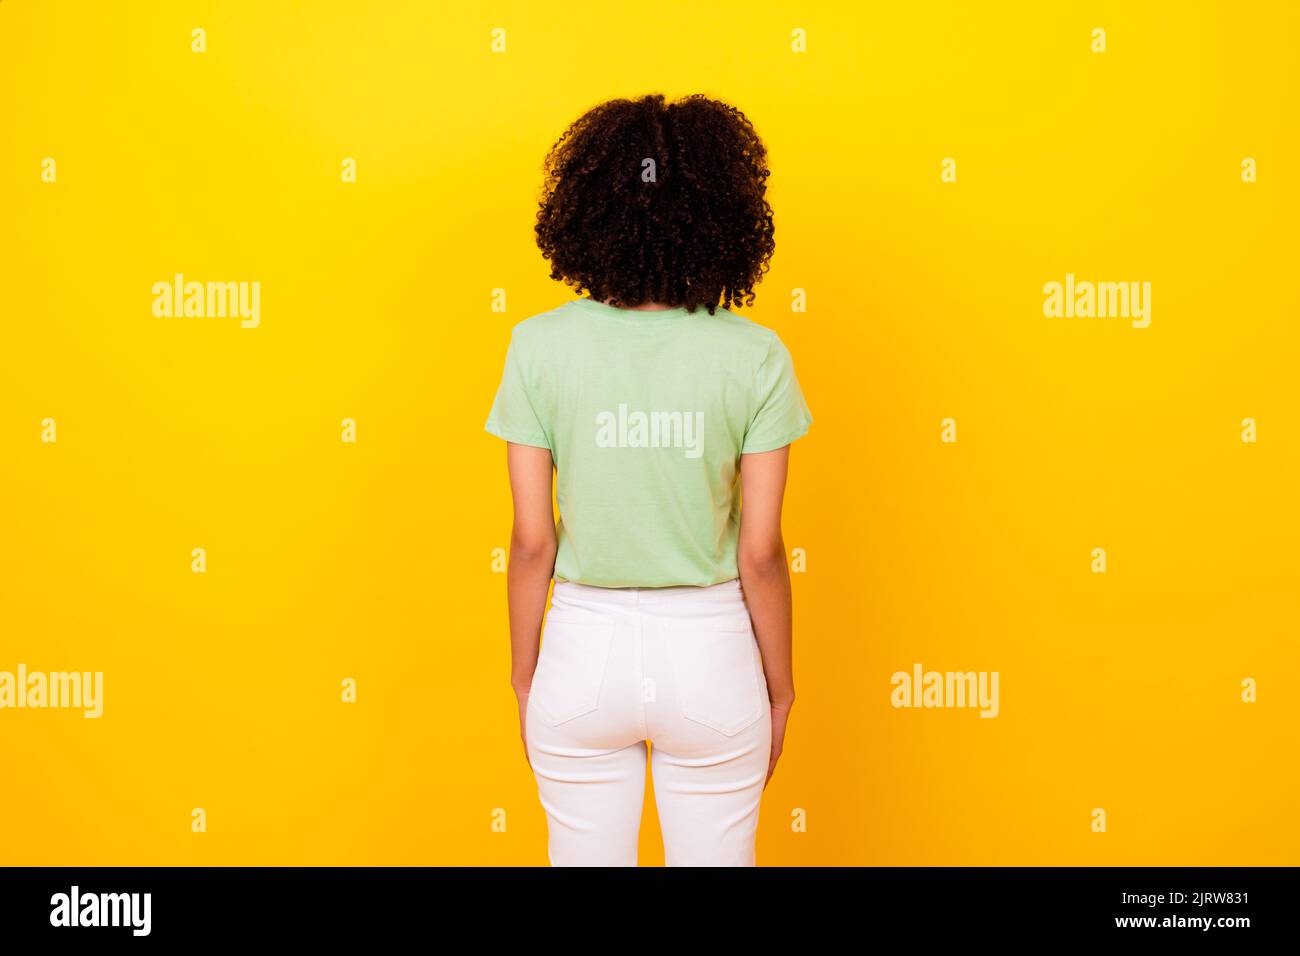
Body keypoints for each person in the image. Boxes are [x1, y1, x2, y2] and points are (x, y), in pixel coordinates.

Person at [485, 92, 813, 866]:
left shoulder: (537, 348)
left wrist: (527, 678)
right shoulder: (757, 356)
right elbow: (760, 553)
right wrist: (781, 688)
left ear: (585, 209)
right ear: (723, 212)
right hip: (714, 657)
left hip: (580, 653)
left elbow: (533, 543)